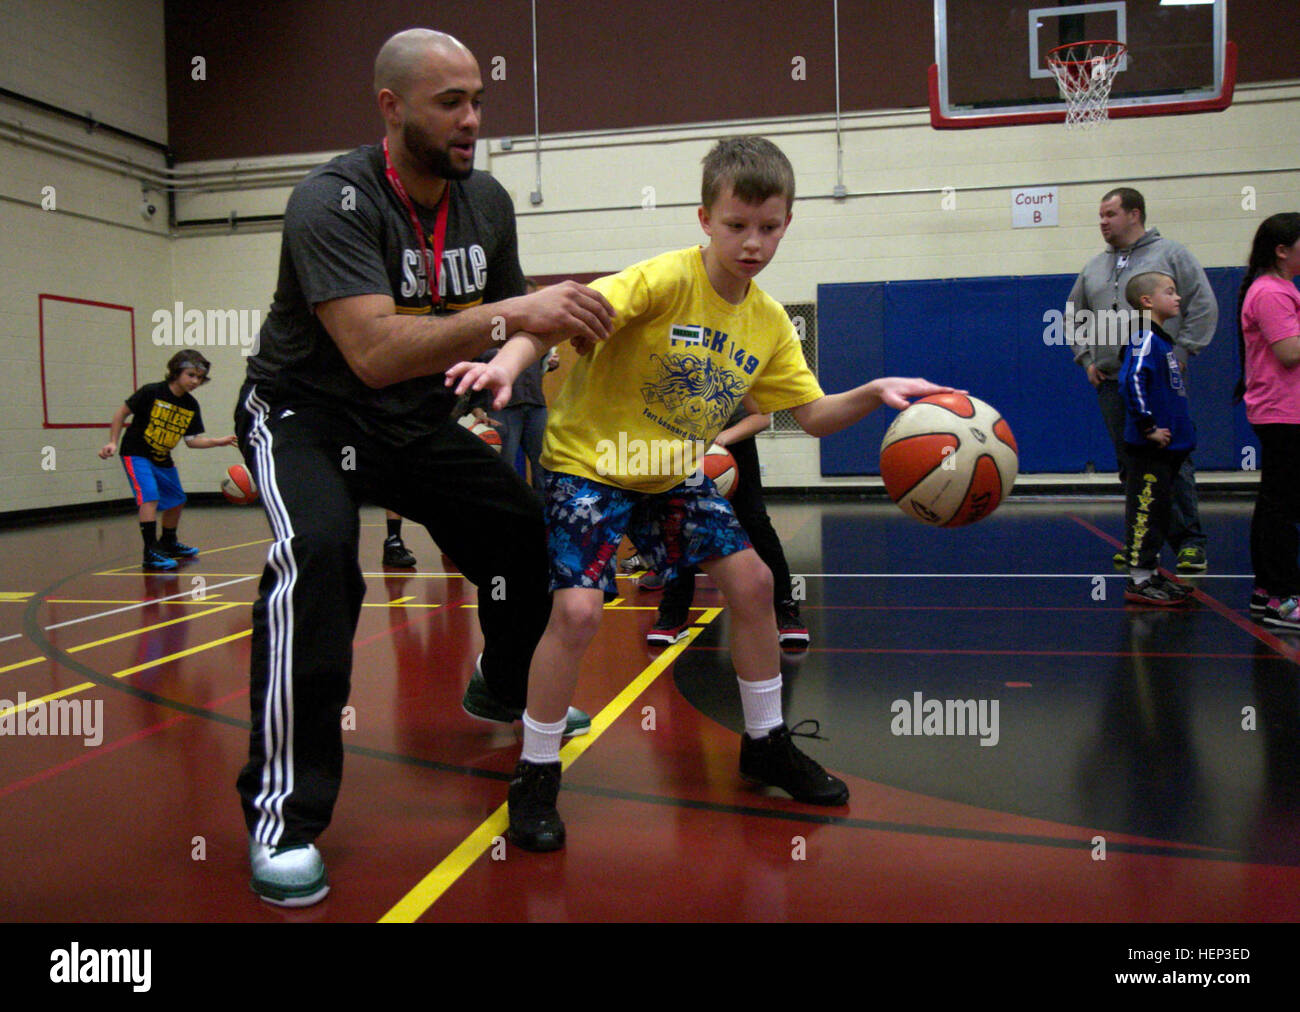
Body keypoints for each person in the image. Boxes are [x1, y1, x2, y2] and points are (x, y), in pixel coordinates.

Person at [449, 135, 952, 852]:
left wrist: (873, 393)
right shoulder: (661, 281)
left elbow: (809, 417)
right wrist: (508, 361)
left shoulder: (769, 322)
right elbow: (557, 316)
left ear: (786, 222)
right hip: (590, 463)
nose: (753, 243)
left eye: (769, 227)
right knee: (580, 610)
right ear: (704, 219)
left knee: (752, 583)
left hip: (668, 470)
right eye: (737, 225)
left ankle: (766, 742)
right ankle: (534, 773)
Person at [233, 28, 614, 906]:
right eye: (451, 102)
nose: (473, 119)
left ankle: (502, 686)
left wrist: (523, 351)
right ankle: (283, 816)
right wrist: (516, 310)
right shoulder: (331, 200)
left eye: (478, 99)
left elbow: (521, 327)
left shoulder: (486, 200)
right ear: (391, 107)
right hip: (305, 412)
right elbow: (371, 350)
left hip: (415, 419)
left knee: (522, 537)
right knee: (318, 561)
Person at [1067, 187, 1216, 571]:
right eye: (1100, 216)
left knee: (1171, 461)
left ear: (1134, 214)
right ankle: (1141, 542)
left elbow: (1202, 304)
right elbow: (1073, 313)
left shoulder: (1171, 255)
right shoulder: (1094, 267)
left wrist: (1182, 353)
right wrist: (1086, 358)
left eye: (1109, 214)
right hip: (1112, 382)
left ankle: (1189, 543)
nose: (1102, 222)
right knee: (1131, 464)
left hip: (1160, 381)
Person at [646, 401, 809, 648]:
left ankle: (786, 609)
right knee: (680, 524)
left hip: (732, 445)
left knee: (755, 521)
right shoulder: (669, 369)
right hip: (683, 446)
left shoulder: (736, 364)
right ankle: (673, 614)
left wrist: (722, 439)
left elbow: (761, 418)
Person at [98, 350, 237, 571]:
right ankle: (150, 552)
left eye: (199, 378)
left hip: (162, 456)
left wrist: (218, 442)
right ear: (175, 372)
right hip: (136, 452)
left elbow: (192, 441)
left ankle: (169, 542)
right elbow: (121, 414)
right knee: (149, 496)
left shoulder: (190, 405)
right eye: (190, 375)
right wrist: (112, 442)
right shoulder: (152, 392)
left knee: (177, 499)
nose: (195, 381)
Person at [1236, 213, 1300, 629]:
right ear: (1282, 250)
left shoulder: (1280, 289)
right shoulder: (1271, 293)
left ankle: (1267, 592)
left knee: (1276, 502)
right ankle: (1280, 598)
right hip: (1283, 413)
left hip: (1283, 411)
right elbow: (1290, 352)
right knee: (1283, 506)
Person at [1117, 273, 1197, 606]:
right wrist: (1148, 426)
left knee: (1161, 513)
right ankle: (1138, 579)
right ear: (1147, 301)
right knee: (1145, 511)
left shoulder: (1162, 343)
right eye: (1170, 292)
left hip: (1169, 451)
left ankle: (1151, 571)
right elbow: (1132, 381)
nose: (1177, 298)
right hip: (1149, 449)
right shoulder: (1144, 340)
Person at [484, 279, 560, 492]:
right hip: (504, 406)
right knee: (505, 468)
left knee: (543, 465)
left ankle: (543, 517)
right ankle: (508, 518)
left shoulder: (538, 324)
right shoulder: (499, 323)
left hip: (535, 404)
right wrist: (503, 354)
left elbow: (546, 356)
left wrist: (552, 363)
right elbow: (485, 352)